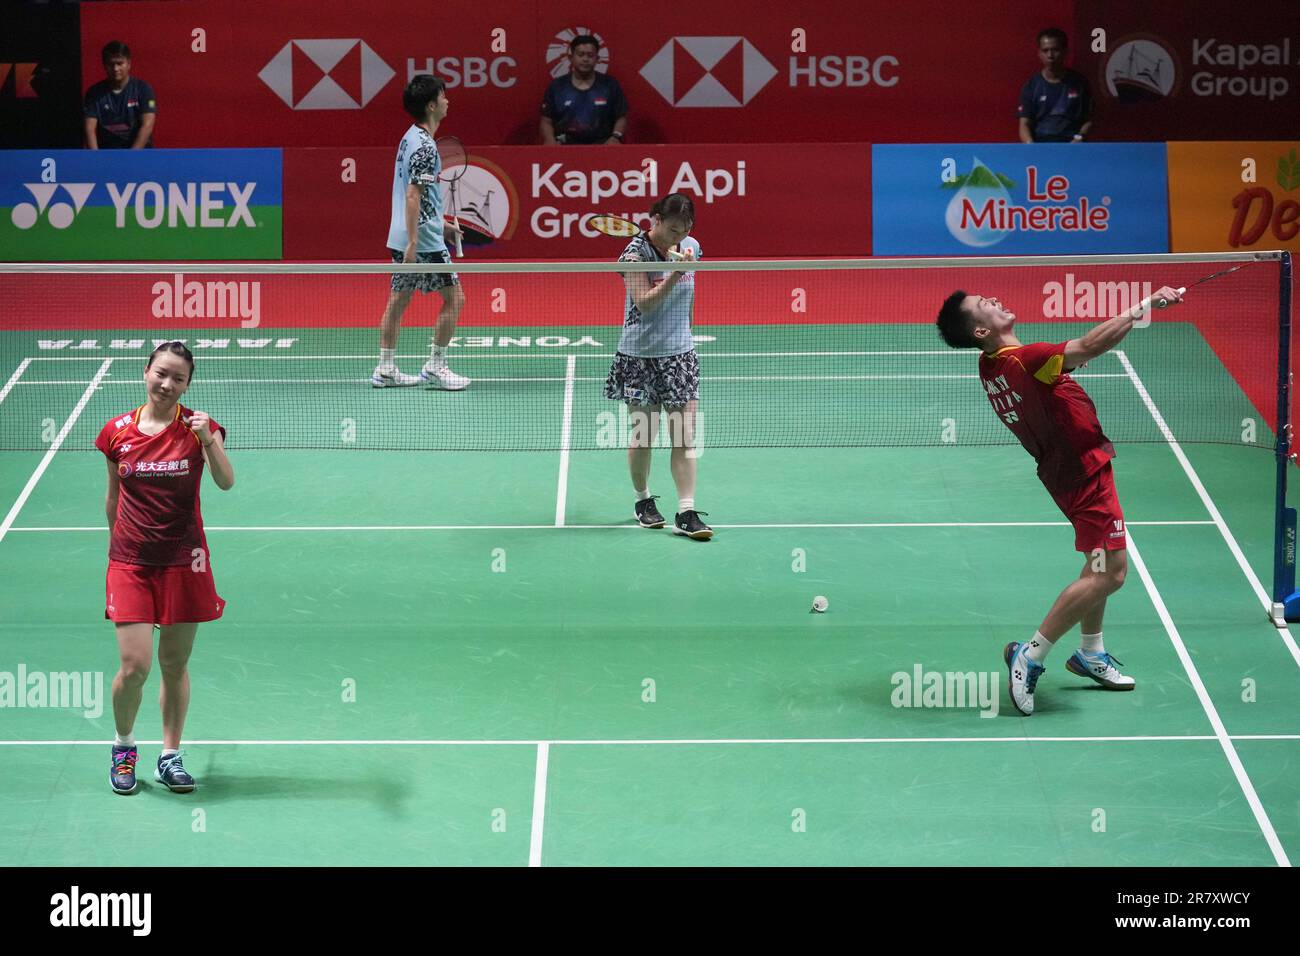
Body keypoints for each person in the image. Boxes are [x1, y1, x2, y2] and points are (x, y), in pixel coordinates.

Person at [935, 284, 1184, 715]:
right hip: (1082, 474)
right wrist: (1145, 307)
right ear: (979, 331)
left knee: (1098, 563)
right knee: (1111, 573)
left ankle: (1091, 652)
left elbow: (1051, 381)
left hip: (1066, 470)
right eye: (982, 305)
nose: (993, 298)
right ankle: (1029, 654)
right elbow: (1089, 345)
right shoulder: (1026, 361)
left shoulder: (991, 365)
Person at [95, 342, 234, 794]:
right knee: (134, 666)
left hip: (184, 560)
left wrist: (207, 437)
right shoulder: (116, 432)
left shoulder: (199, 429)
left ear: (188, 385)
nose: (167, 384)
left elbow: (226, 481)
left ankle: (170, 754)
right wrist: (120, 546)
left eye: (178, 378)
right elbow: (114, 497)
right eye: (161, 373)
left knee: (175, 664)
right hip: (132, 561)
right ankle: (123, 747)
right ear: (146, 372)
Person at [604, 194, 711, 540]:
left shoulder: (690, 246)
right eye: (672, 230)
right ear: (655, 220)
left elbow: (690, 294)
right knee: (643, 437)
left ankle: (686, 511)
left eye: (685, 230)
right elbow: (645, 304)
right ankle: (643, 501)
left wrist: (688, 332)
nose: (678, 238)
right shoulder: (634, 255)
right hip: (640, 358)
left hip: (679, 357)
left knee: (684, 436)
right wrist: (676, 273)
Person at [373, 74, 469, 390]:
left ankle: (386, 368)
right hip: (421, 241)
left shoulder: (409, 137)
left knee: (399, 299)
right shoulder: (426, 146)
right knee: (455, 299)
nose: (447, 101)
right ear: (431, 105)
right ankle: (436, 366)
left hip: (405, 233)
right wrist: (418, 241)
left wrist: (443, 225)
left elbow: (417, 195)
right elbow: (413, 193)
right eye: (443, 96)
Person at [540, 35, 628, 145]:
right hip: (565, 147)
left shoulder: (610, 85)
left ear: (597, 59)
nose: (585, 59)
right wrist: (549, 140)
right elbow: (546, 120)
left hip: (602, 147)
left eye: (590, 55)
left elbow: (621, 116)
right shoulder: (557, 86)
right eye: (580, 54)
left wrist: (616, 137)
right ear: (571, 57)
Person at [1017, 28, 1092, 143]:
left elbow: (1089, 120)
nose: (1050, 55)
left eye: (1055, 50)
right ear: (1039, 53)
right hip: (1040, 145)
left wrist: (1079, 139)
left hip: (1073, 146)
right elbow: (1024, 124)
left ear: (1065, 52)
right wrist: (1031, 147)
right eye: (1045, 50)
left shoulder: (1080, 83)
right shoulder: (1031, 86)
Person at [83, 40, 156, 150]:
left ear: (129, 64)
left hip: (139, 154)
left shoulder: (143, 89)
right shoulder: (94, 93)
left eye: (119, 63)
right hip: (107, 154)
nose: (115, 69)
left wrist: (131, 157)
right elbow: (89, 129)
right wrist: (95, 158)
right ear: (104, 65)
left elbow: (148, 125)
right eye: (111, 64)